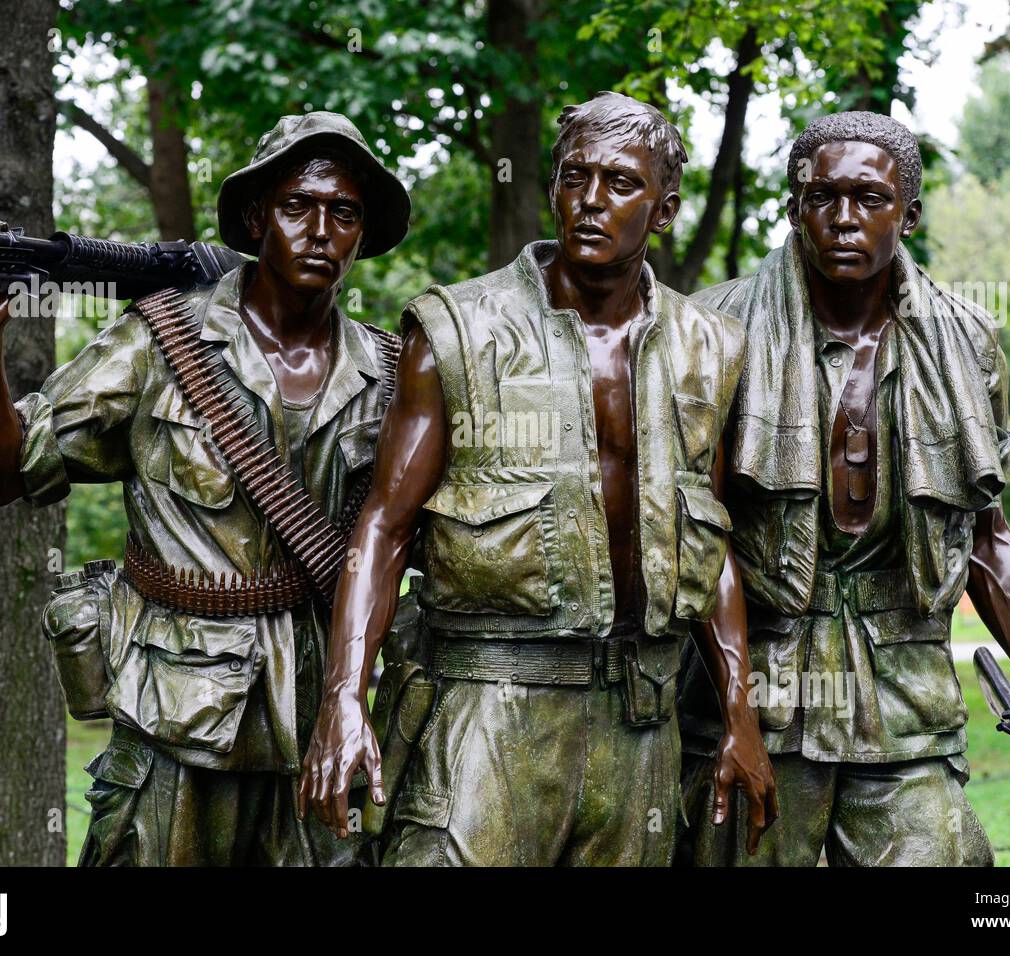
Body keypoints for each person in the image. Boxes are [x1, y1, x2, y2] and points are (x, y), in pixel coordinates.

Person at [298, 91, 777, 866]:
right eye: (572, 178)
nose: (590, 202)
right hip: (489, 707)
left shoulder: (711, 347)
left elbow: (708, 535)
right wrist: (344, 697)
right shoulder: (458, 328)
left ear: (665, 210)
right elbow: (383, 527)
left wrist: (740, 713)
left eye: (620, 183)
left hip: (638, 720)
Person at [0, 111, 409, 865]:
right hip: (176, 727)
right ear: (258, 218)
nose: (321, 230)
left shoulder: (389, 373)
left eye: (345, 213)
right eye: (298, 206)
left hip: (321, 725)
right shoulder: (161, 341)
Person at [682, 110, 1010, 866]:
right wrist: (737, 714)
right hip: (763, 690)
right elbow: (700, 538)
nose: (845, 219)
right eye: (823, 197)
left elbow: (986, 536)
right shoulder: (715, 330)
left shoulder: (965, 341)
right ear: (794, 206)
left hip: (904, 694)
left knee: (944, 854)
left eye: (870, 199)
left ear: (908, 213)